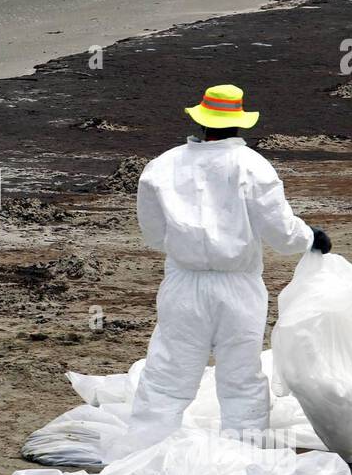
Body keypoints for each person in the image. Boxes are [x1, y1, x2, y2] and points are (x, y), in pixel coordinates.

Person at [118, 84, 330, 454]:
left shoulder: (161, 166)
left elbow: (152, 233)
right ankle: (245, 452)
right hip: (239, 288)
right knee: (241, 373)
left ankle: (144, 449)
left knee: (168, 372)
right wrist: (310, 238)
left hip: (183, 285)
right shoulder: (252, 166)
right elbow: (280, 232)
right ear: (239, 123)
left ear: (201, 121)